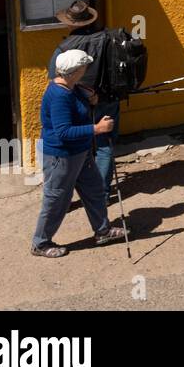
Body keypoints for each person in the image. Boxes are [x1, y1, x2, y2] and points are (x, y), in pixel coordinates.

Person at [31, 49, 126, 258]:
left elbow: (77, 109)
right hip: (61, 157)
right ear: (74, 71)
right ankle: (40, 243)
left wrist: (89, 98)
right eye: (84, 67)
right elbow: (63, 131)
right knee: (57, 200)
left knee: (95, 191)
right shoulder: (59, 96)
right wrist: (97, 129)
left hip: (81, 153)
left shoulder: (72, 88)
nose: (86, 70)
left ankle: (103, 231)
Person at [47, 0, 119, 187]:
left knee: (78, 145)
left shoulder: (64, 48)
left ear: (70, 24)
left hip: (77, 103)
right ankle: (101, 192)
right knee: (105, 146)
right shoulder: (108, 39)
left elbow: (55, 80)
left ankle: (77, 189)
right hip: (107, 98)